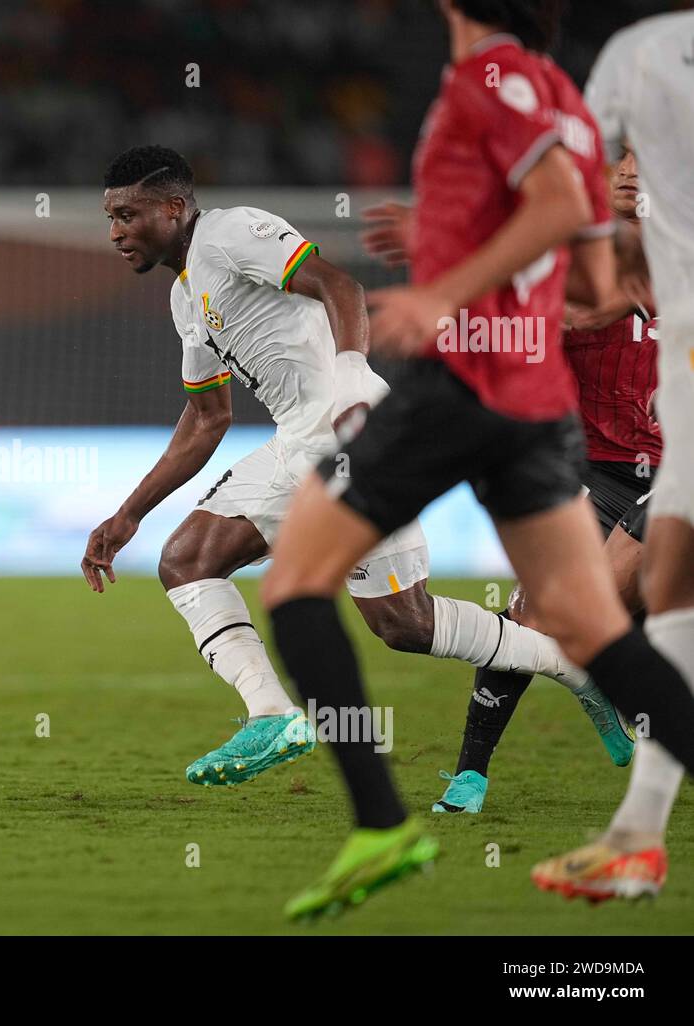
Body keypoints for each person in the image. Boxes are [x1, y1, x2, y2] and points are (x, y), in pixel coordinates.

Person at [259, 0, 694, 920]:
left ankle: (382, 824)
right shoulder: (570, 109)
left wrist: (443, 287)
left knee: (296, 583)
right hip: (538, 407)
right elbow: (588, 280)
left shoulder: (484, 81)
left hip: (463, 383)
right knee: (589, 633)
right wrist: (452, 243)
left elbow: (550, 212)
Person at [84, 143, 598, 791]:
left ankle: (273, 713)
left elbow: (338, 284)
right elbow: (206, 420)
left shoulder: (231, 231)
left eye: (127, 215)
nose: (116, 233)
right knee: (404, 624)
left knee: (191, 562)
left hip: (341, 426)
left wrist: (352, 380)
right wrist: (129, 512)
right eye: (110, 219)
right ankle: (579, 668)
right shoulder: (186, 300)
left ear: (174, 207)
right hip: (314, 436)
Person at [531, 8, 694, 902]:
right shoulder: (642, 57)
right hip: (670, 435)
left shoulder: (643, 57)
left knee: (643, 608)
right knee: (656, 605)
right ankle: (637, 836)